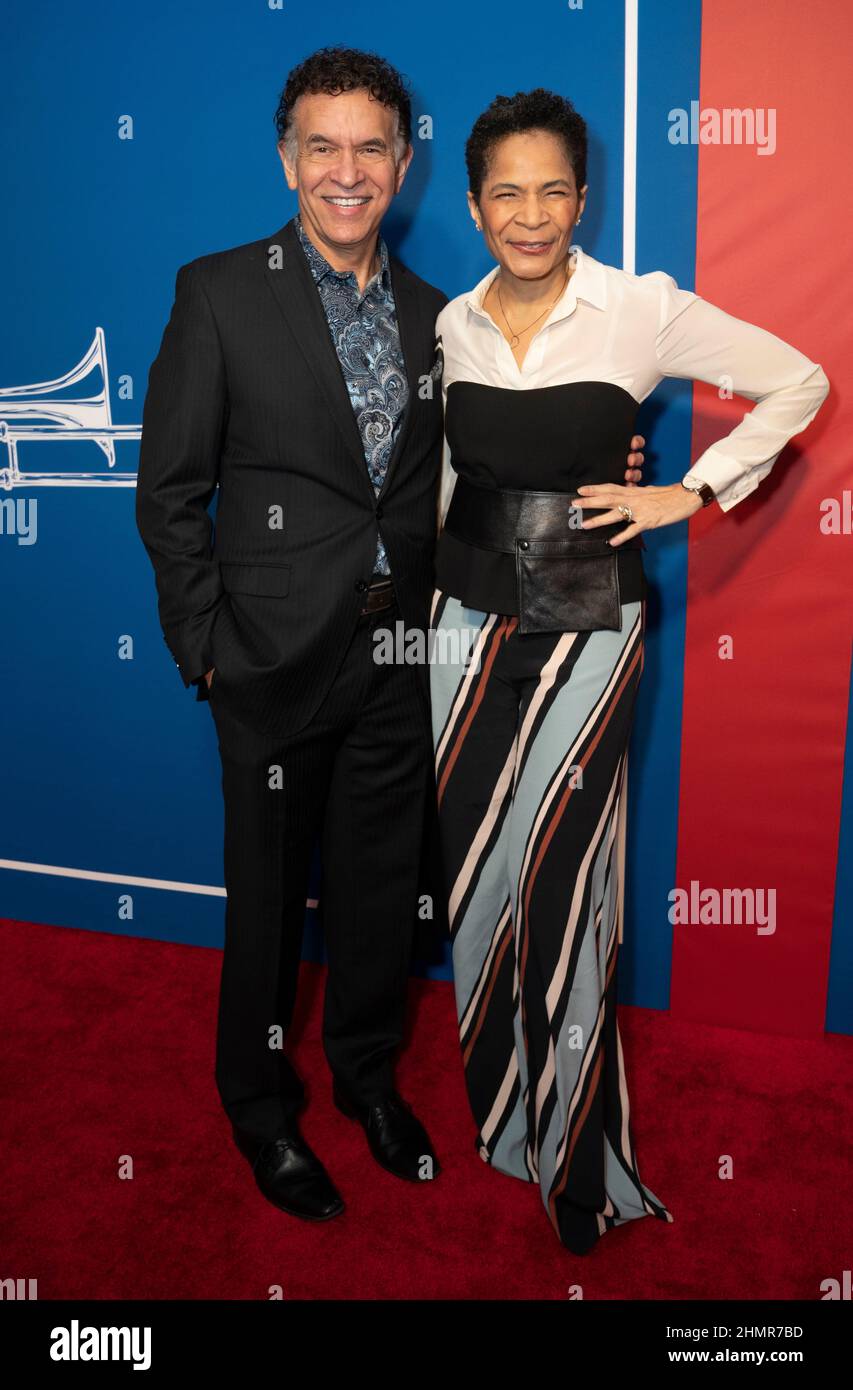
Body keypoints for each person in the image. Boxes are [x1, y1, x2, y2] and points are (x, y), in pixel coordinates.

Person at [135, 48, 645, 1226]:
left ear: (406, 163)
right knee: (263, 905)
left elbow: (513, 439)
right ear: (287, 158)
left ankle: (366, 1081)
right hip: (263, 659)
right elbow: (169, 490)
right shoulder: (218, 291)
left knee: (375, 896)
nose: (347, 170)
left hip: (404, 660)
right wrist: (205, 641)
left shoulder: (441, 319)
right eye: (323, 146)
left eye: (372, 146)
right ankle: (260, 1110)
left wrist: (610, 462)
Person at [429, 88, 829, 1255]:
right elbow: (455, 483)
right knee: (479, 877)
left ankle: (575, 1154)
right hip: (461, 636)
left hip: (589, 626)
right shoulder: (451, 325)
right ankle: (503, 1117)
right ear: (472, 203)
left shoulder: (639, 307)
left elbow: (796, 379)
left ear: (583, 196)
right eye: (506, 190)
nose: (531, 211)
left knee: (568, 881)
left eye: (554, 187)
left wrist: (684, 491)